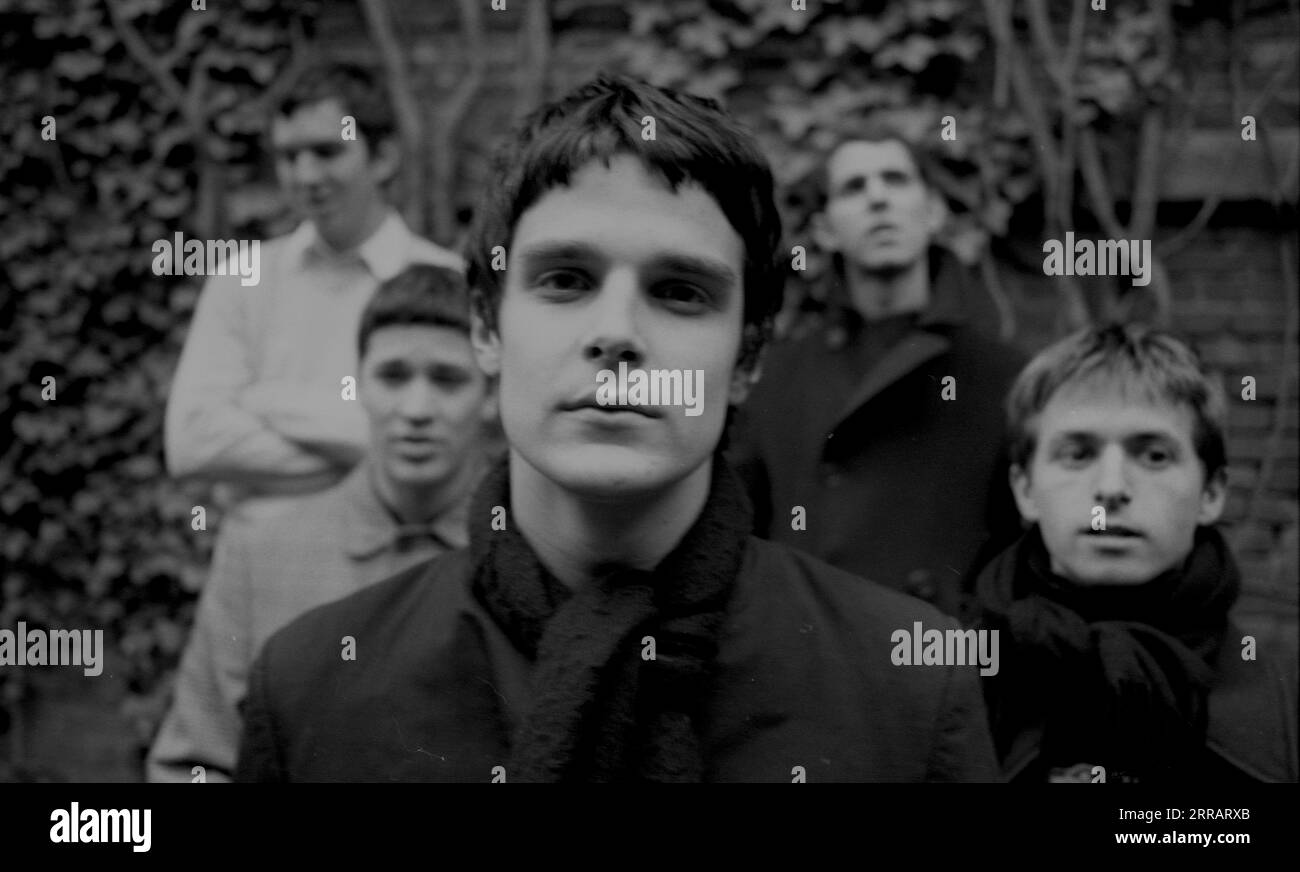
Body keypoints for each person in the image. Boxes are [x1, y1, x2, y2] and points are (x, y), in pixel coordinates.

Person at [234, 74, 999, 783]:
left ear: (748, 354)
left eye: (679, 291)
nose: (616, 332)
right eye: (565, 280)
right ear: (486, 328)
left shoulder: (907, 694)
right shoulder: (312, 693)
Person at [148, 265, 492, 782]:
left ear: (489, 395)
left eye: (448, 379)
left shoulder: (531, 554)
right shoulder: (262, 554)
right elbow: (194, 761)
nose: (417, 409)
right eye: (393, 376)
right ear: (360, 386)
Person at [728, 122, 1025, 617]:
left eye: (895, 180)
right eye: (854, 188)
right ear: (825, 229)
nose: (878, 199)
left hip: (940, 666)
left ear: (932, 212)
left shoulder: (1005, 378)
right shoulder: (775, 382)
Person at [164, 62, 461, 533]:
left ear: (383, 157)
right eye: (288, 156)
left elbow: (450, 454)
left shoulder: (444, 281)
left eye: (327, 152)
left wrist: (266, 403)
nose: (305, 175)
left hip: (394, 566)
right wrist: (365, 446)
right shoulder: (242, 278)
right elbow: (192, 443)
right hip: (259, 565)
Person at [972, 323, 1248, 782]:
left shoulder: (1280, 701)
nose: (1112, 489)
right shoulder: (944, 693)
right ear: (1024, 489)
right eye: (1078, 454)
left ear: (1212, 492)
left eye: (1154, 456)